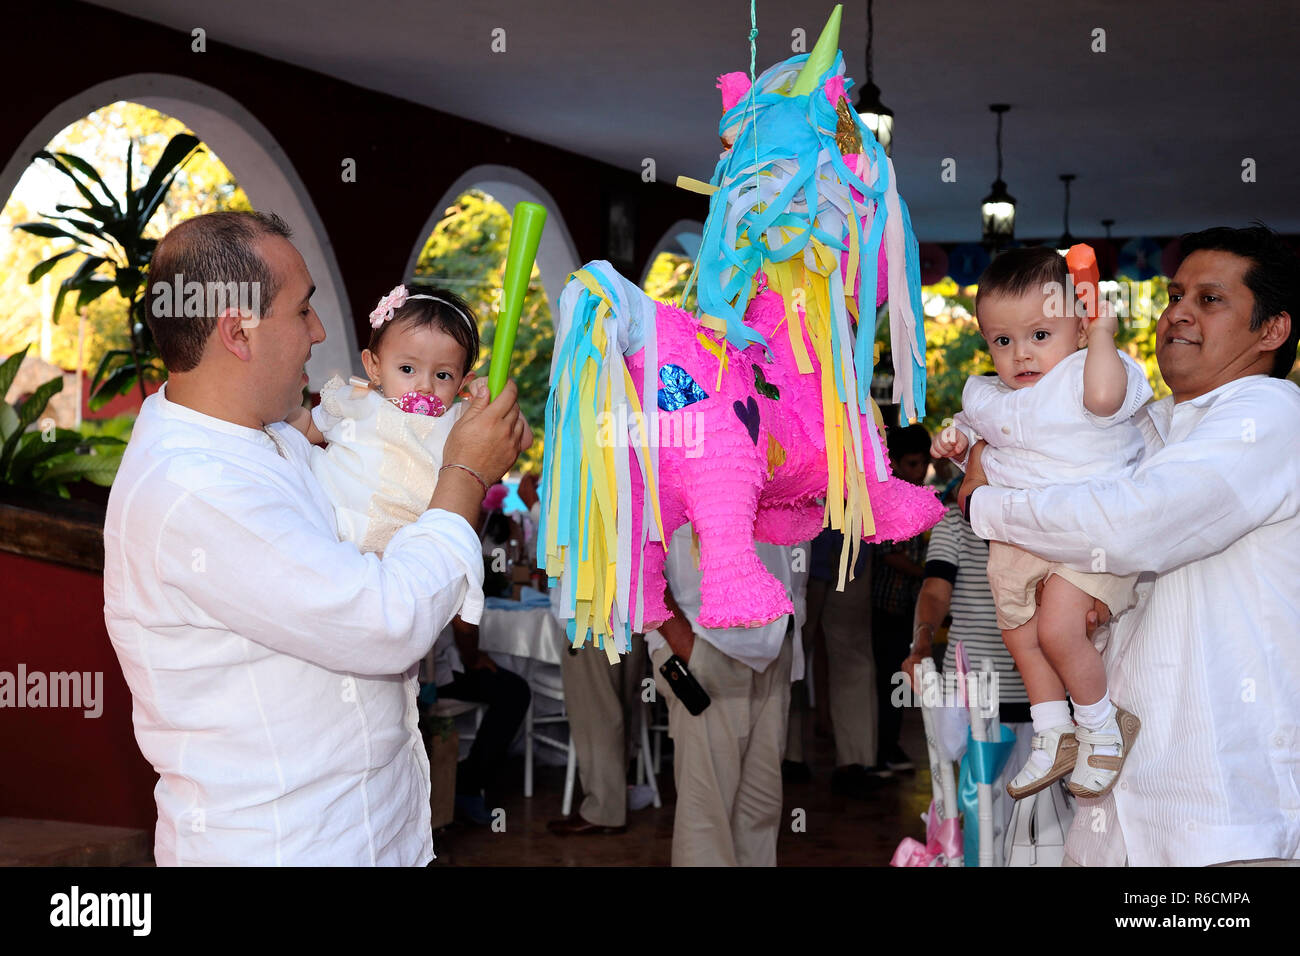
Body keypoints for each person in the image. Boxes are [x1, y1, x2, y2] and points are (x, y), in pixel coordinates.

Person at [102, 211, 531, 865]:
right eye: (302, 311)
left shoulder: (271, 438)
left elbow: (383, 508)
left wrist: (443, 429)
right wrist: (466, 471)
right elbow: (386, 621)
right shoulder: (195, 487)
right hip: (286, 846)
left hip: (359, 832)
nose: (319, 331)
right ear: (238, 331)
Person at [962, 225, 1300, 866]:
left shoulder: (1270, 416)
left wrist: (984, 505)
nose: (1179, 313)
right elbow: (1056, 485)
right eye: (1176, 295)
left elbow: (1126, 525)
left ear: (1272, 330)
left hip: (1221, 813)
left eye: (1210, 300)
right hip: (1121, 807)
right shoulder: (1155, 424)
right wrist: (980, 456)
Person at [932, 247, 1152, 802]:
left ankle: (1101, 725)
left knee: (1055, 630)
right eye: (1003, 341)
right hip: (1019, 536)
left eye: (1039, 335)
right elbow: (973, 438)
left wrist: (1101, 334)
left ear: (1078, 327)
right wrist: (954, 442)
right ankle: (1054, 730)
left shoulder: (1091, 373)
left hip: (1087, 534)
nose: (1021, 354)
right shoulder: (995, 395)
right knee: (1019, 631)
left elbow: (1104, 401)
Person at [649, 525, 807, 866]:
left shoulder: (787, 470)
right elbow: (628, 547)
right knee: (706, 818)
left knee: (761, 811)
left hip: (775, 643)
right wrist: (684, 642)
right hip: (706, 643)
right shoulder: (661, 470)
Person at [871, 423, 932, 773]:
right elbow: (887, 555)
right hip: (887, 606)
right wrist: (925, 574)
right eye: (911, 464)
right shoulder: (888, 496)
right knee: (888, 680)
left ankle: (890, 747)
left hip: (906, 607)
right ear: (893, 462)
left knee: (899, 679)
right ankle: (883, 749)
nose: (919, 471)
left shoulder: (917, 495)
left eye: (922, 463)